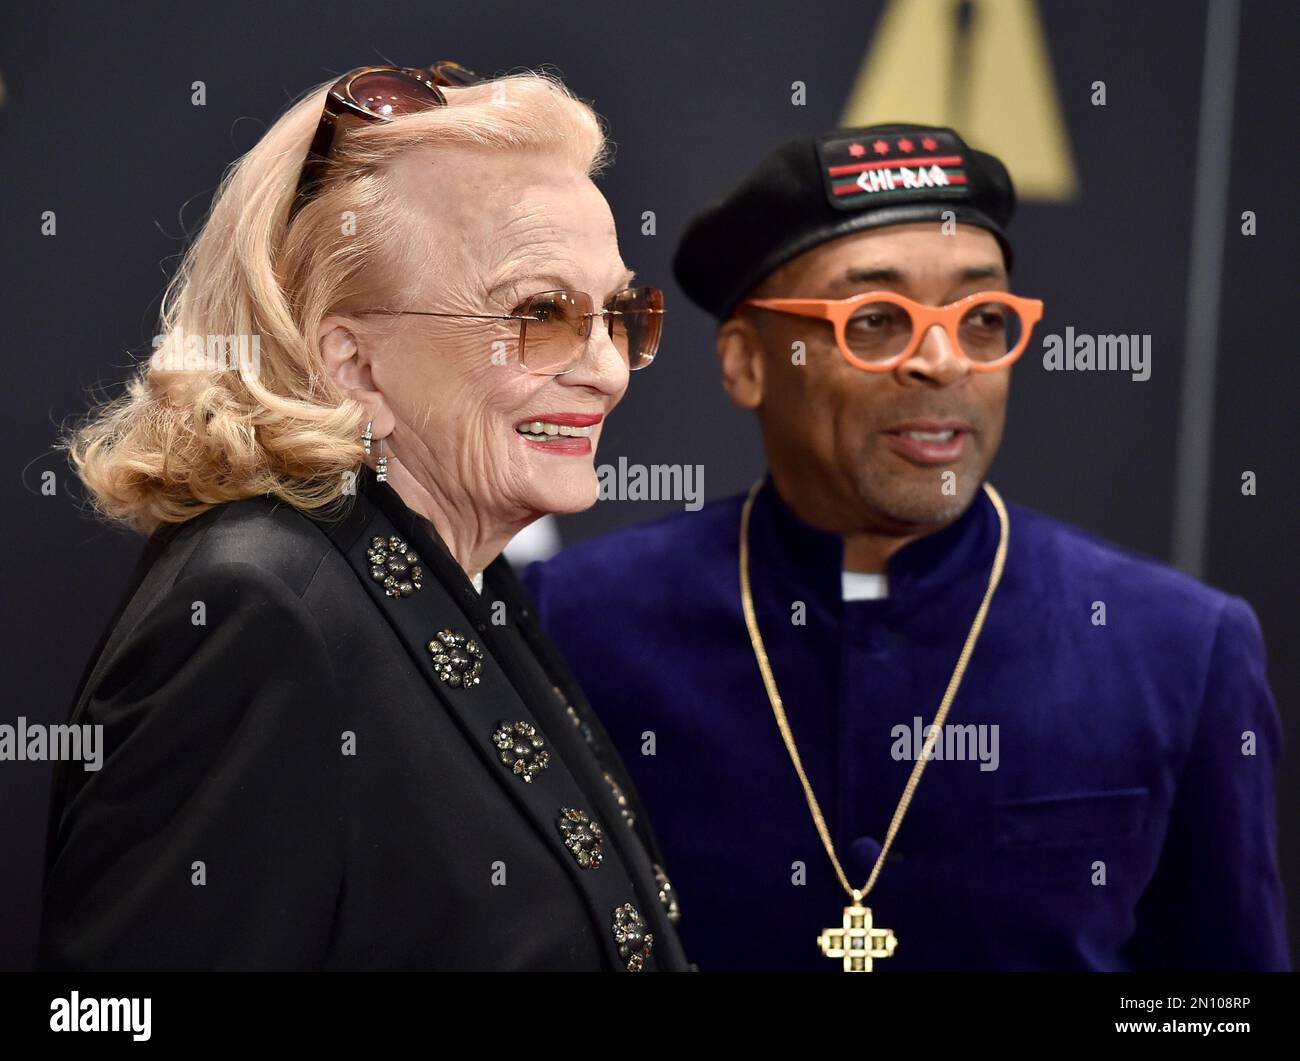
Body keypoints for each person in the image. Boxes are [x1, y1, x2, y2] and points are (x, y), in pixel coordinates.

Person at [523, 123, 1290, 971]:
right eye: (877, 318)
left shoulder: (1178, 647)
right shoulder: (577, 622)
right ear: (746, 362)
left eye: (982, 318)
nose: (942, 361)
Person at [39, 62, 685, 972]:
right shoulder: (259, 612)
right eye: (541, 312)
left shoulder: (454, 568)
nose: (609, 371)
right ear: (354, 365)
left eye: (619, 314)